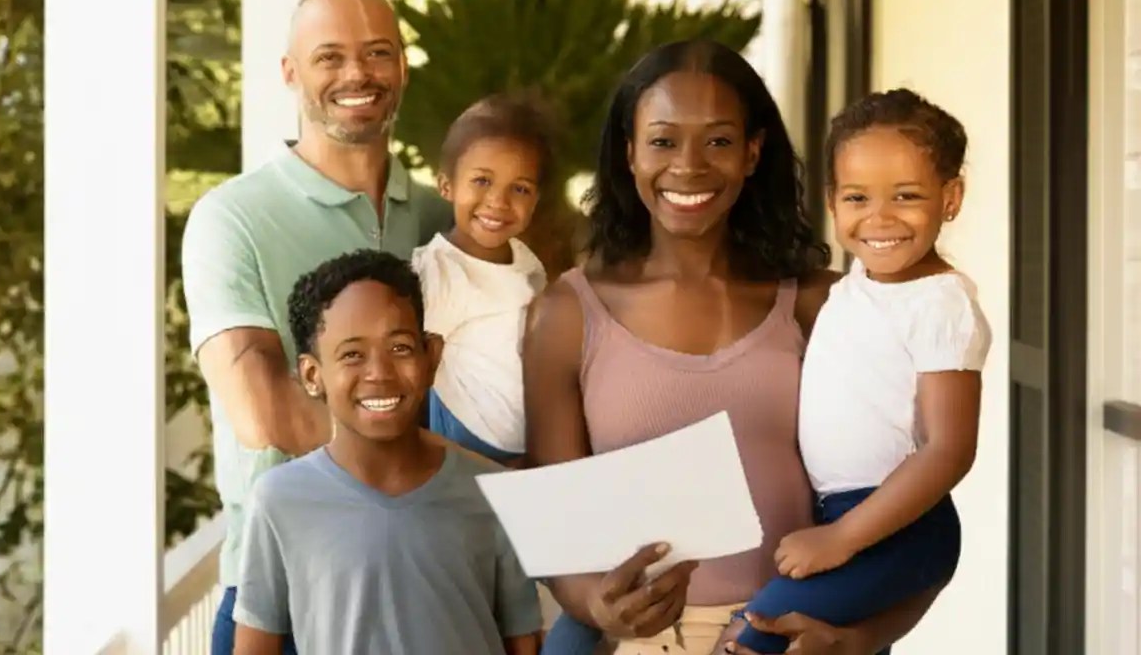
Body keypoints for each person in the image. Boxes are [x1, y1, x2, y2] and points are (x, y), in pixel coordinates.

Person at [523, 39, 946, 655]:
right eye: (664, 140)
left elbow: (922, 514)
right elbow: (556, 534)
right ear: (629, 153)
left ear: (753, 152)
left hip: (788, 640)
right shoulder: (566, 314)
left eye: (718, 140)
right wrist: (596, 604)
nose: (688, 166)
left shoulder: (825, 306)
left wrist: (855, 640)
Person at [180, 0, 450, 655]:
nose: (357, 73)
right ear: (290, 73)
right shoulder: (232, 217)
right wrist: (467, 468)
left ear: (402, 68)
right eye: (329, 57)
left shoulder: (444, 218)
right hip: (287, 598)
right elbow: (266, 412)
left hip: (431, 580)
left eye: (377, 53)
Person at [729, 88, 990, 654]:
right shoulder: (855, 285)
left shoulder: (940, 304)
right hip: (848, 518)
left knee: (761, 631)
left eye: (906, 196)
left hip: (895, 525)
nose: (880, 218)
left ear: (951, 198)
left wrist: (843, 537)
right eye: (857, 197)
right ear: (831, 202)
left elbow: (949, 449)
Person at [232, 250, 543, 655]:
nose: (379, 372)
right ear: (313, 375)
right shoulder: (279, 500)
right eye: (352, 355)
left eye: (399, 348)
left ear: (431, 357)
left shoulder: (495, 495)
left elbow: (523, 644)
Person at [412, 94, 555, 465]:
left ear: (536, 199)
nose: (498, 201)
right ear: (446, 186)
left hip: (528, 440)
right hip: (469, 443)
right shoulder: (440, 272)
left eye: (519, 189)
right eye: (481, 181)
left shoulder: (525, 260)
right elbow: (410, 369)